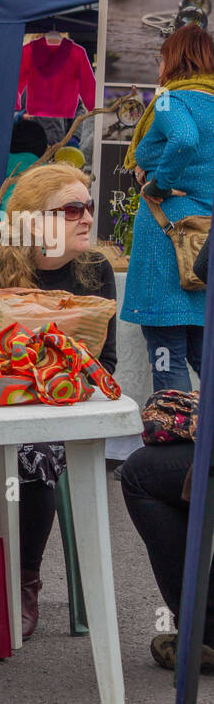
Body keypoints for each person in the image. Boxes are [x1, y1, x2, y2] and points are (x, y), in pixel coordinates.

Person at [0, 163, 116, 638]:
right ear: (32, 222)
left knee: (34, 456)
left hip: (50, 413)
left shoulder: (96, 272)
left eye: (88, 206)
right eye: (72, 209)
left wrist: (45, 374)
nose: (87, 217)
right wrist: (39, 364)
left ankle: (22, 581)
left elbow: (104, 364)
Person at [120, 240, 214, 673]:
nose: (85, 214)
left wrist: (150, 177)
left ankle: (205, 630)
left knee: (143, 472)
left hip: (170, 265)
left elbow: (204, 263)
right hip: (181, 275)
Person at [121, 23, 214, 393]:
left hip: (167, 239)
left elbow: (185, 138)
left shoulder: (167, 100)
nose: (158, 67)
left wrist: (158, 183)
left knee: (168, 354)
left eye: (161, 59)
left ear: (173, 60)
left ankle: (173, 446)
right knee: (201, 355)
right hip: (203, 246)